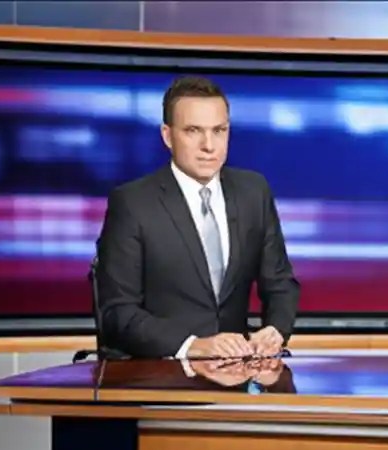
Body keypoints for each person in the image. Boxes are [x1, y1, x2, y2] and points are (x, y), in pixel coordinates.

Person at [95, 76, 300, 360]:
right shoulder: (132, 203)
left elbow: (280, 283)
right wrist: (193, 345)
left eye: (219, 130)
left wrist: (275, 329)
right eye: (193, 130)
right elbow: (117, 313)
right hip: (162, 380)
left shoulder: (253, 191)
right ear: (167, 136)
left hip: (237, 379)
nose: (209, 145)